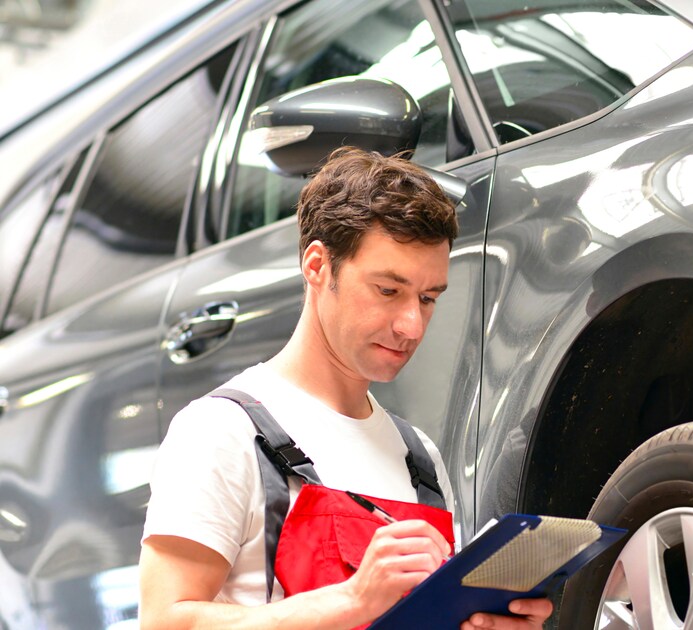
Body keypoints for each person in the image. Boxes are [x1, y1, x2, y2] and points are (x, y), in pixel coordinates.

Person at [138, 147, 553, 629]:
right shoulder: (221, 432)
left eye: (427, 298)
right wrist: (353, 600)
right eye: (388, 290)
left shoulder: (419, 458)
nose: (411, 325)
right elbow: (164, 621)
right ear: (318, 266)